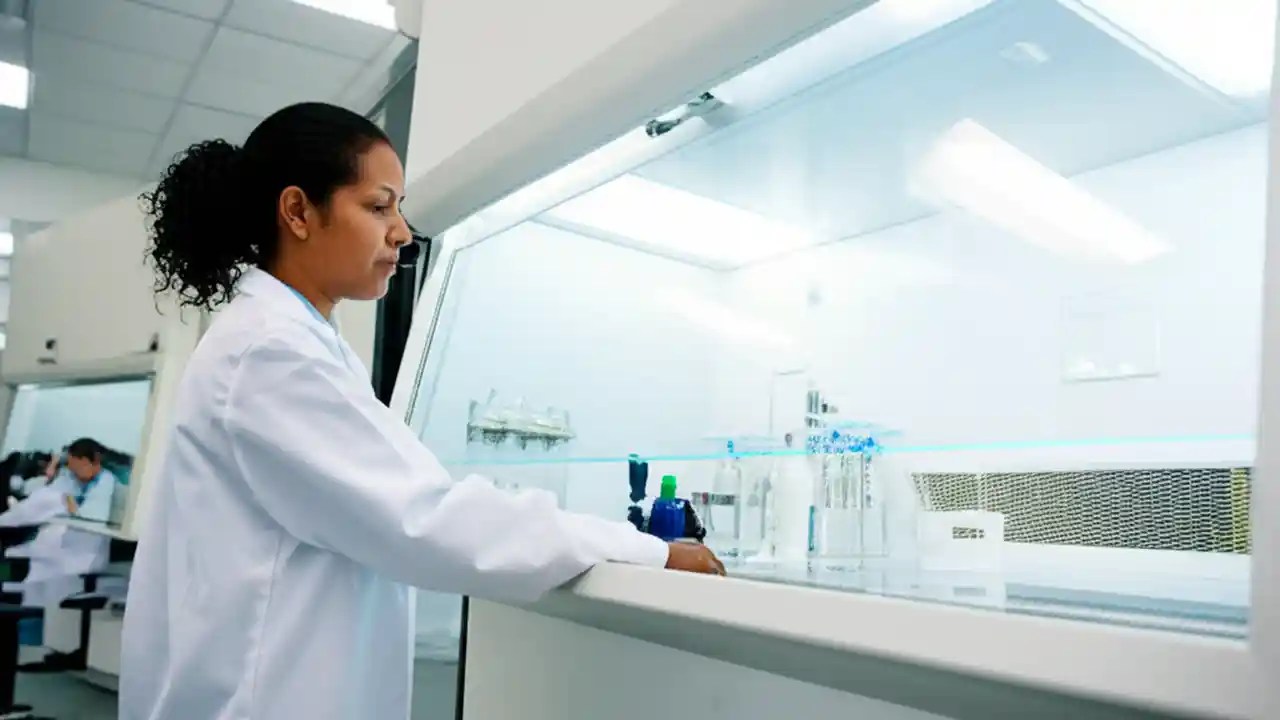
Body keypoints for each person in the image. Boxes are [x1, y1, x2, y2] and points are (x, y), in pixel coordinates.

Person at [119, 102, 723, 720]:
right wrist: (645, 549)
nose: (402, 232)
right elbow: (426, 520)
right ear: (298, 211)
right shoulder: (270, 353)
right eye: (379, 206)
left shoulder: (291, 340)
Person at [60, 438, 117, 522]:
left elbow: (89, 519)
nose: (70, 468)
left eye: (72, 465)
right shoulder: (72, 476)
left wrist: (68, 499)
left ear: (84, 461)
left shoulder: (106, 481)